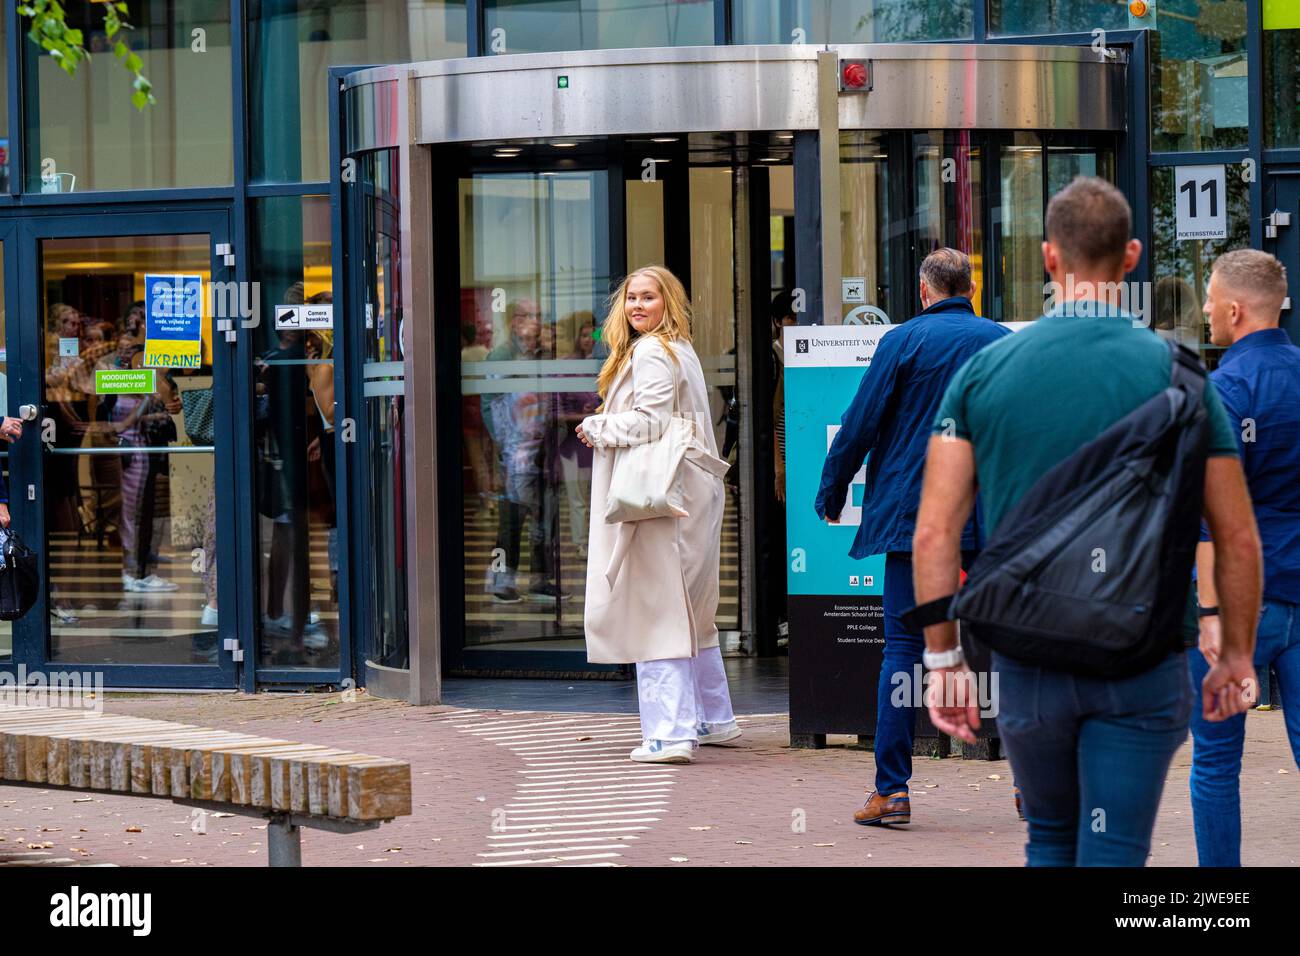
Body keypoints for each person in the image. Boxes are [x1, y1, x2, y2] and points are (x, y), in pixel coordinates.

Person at [913, 177, 1261, 866]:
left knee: (1049, 839)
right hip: (1145, 654)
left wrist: (944, 658)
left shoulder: (985, 372)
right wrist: (1238, 654)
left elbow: (934, 531)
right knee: (1115, 848)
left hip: (1029, 659)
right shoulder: (1184, 377)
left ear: (1049, 259)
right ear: (1130, 257)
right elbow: (1237, 535)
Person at [815, 248, 1010, 827]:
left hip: (915, 521)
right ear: (969, 288)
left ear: (924, 291)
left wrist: (830, 492)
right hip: (987, 517)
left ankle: (892, 791)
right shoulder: (1001, 341)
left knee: (903, 651)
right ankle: (1033, 786)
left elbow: (859, 425)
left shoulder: (900, 342)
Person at [576, 266, 738, 764]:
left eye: (649, 297)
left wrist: (597, 426)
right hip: (689, 489)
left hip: (659, 498)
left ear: (669, 301)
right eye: (631, 298)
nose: (638, 306)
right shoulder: (677, 348)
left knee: (656, 608)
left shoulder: (649, 352)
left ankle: (668, 734)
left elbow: (651, 421)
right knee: (693, 610)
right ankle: (714, 719)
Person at [1190, 249, 1300, 866]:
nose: (1204, 309)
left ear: (1234, 310)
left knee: (1215, 762)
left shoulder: (1224, 390)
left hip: (1238, 608)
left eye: (1209, 298)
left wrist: (1208, 613)